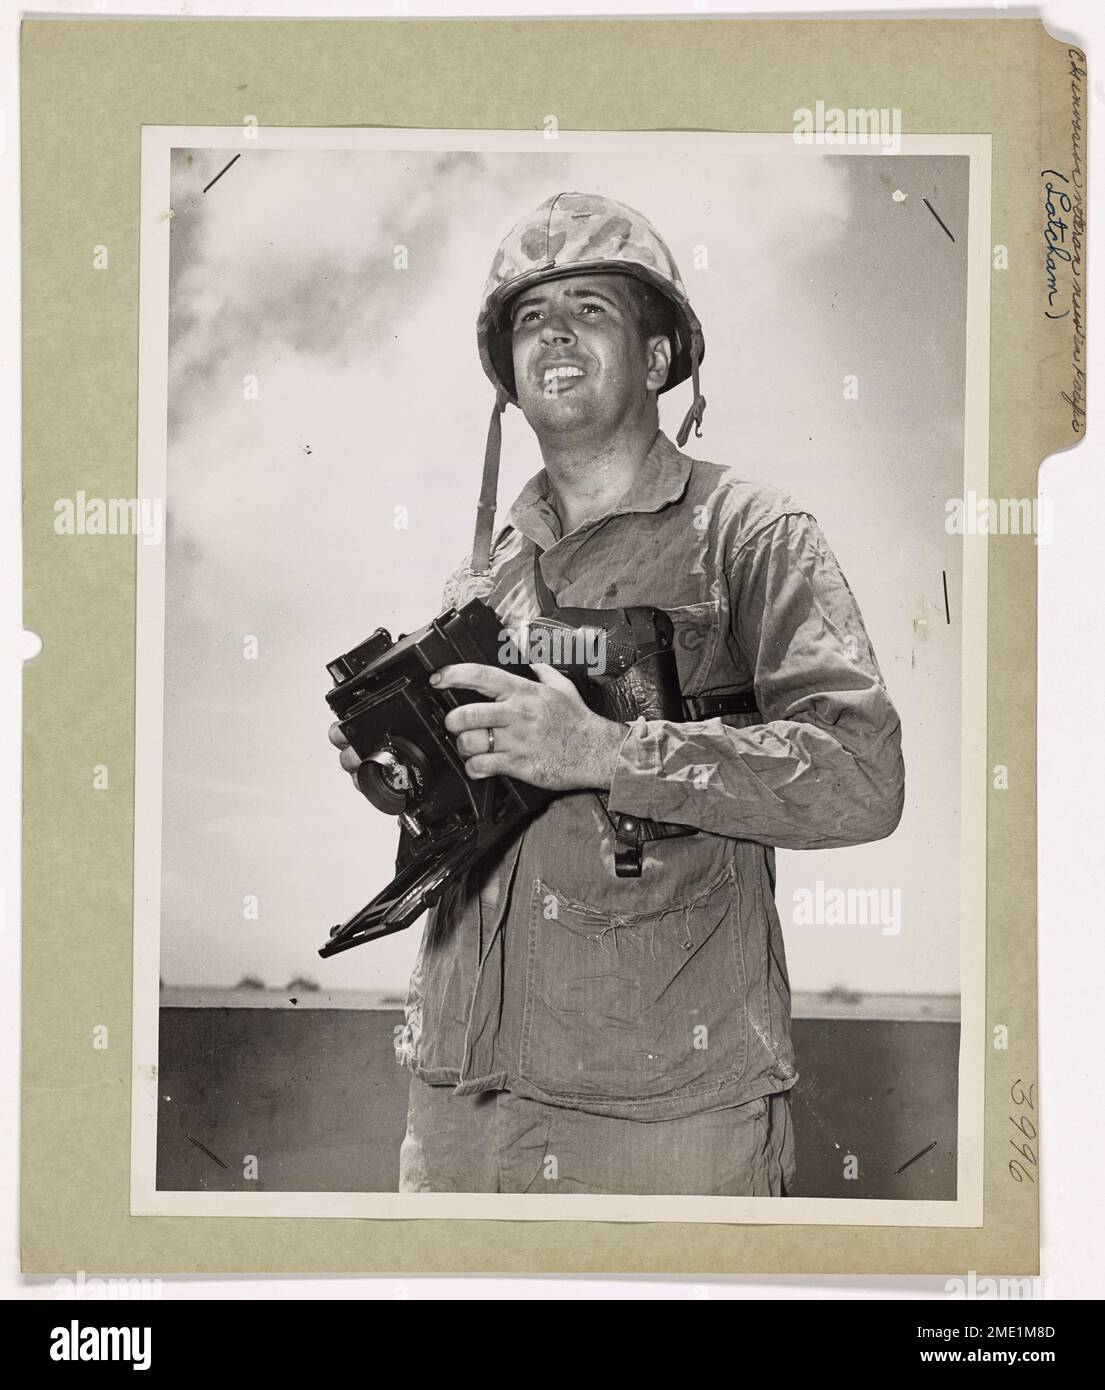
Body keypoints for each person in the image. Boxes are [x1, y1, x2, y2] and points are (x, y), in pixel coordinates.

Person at [330, 192, 906, 1196]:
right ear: (507, 377)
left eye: (589, 307)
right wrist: (408, 767)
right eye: (526, 317)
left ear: (655, 358)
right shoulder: (487, 577)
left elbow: (861, 776)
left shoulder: (749, 532)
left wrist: (606, 755)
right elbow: (479, 817)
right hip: (458, 1107)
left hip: (665, 1118)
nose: (549, 330)